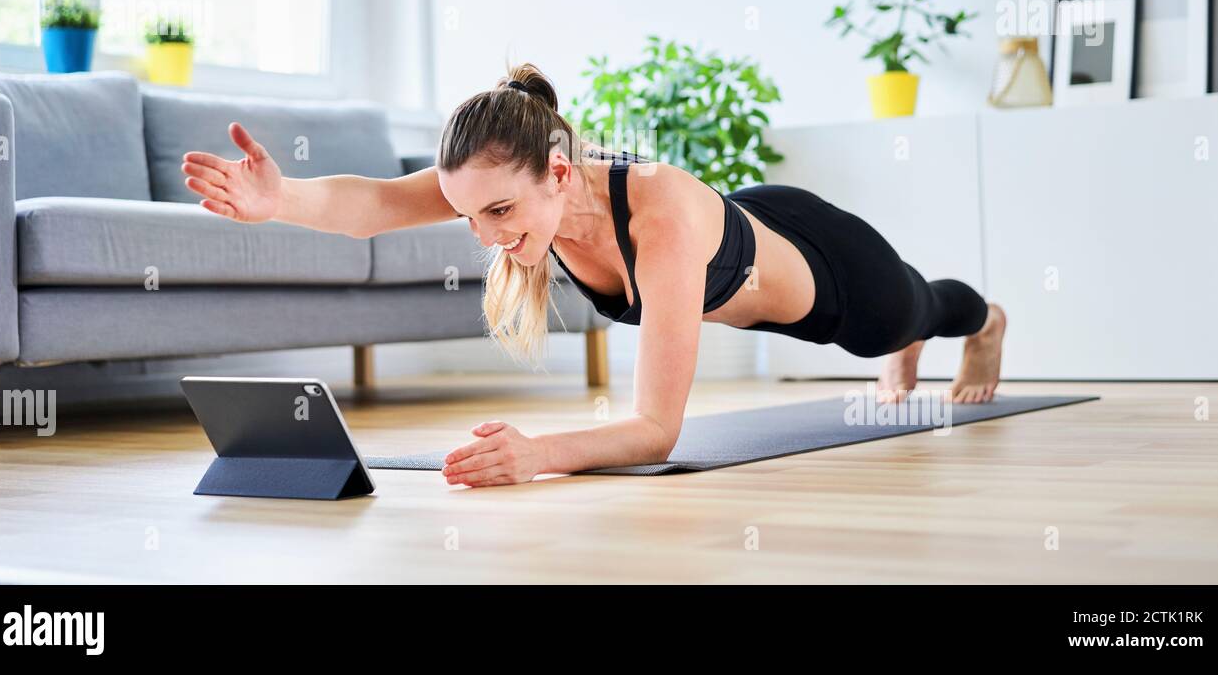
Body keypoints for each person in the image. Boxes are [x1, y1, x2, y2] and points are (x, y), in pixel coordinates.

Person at [181, 63, 1006, 486]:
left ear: (562, 175)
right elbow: (370, 206)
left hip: (826, 271)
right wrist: (280, 194)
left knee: (917, 309)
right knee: (902, 330)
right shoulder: (504, 179)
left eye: (499, 214)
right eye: (470, 217)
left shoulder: (661, 218)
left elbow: (657, 430)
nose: (487, 235)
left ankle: (986, 324)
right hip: (744, 241)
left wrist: (538, 454)